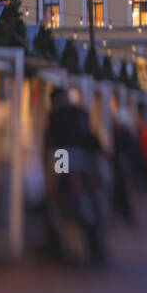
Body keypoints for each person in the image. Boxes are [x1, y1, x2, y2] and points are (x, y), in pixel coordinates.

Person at [44, 88, 106, 267]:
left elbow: (54, 144)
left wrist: (54, 180)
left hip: (63, 154)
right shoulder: (81, 113)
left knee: (62, 200)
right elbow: (91, 140)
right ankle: (92, 246)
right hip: (82, 159)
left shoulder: (56, 116)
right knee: (87, 205)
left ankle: (68, 247)